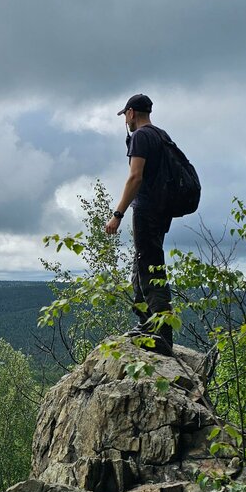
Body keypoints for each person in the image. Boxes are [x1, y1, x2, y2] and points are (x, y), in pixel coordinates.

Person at [104, 93, 173, 355]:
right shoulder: (161, 135)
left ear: (131, 113)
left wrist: (117, 214)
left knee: (151, 269)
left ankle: (162, 336)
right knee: (143, 264)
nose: (126, 121)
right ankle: (146, 325)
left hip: (147, 210)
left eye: (125, 116)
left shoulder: (141, 137)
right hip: (161, 209)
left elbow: (135, 177)